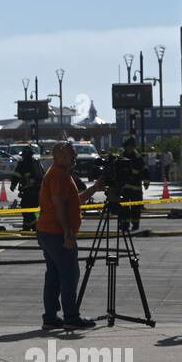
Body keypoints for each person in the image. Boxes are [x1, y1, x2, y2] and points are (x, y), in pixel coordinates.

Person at [37, 141, 105, 330]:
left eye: (73, 153)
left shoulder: (62, 175)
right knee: (69, 274)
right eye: (70, 154)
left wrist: (93, 188)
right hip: (56, 233)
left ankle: (50, 317)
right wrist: (68, 232)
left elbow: (74, 202)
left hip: (48, 231)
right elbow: (59, 206)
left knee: (54, 275)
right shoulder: (58, 175)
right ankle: (71, 317)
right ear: (58, 155)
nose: (74, 157)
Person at [9, 146, 44, 231]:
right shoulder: (37, 163)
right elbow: (43, 175)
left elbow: (16, 176)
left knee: (25, 209)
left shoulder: (22, 164)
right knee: (35, 209)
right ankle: (30, 226)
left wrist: (13, 185)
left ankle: (32, 225)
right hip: (38, 192)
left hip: (28, 192)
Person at [118, 137, 148, 232]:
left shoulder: (138, 157)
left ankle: (135, 224)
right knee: (124, 208)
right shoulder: (121, 156)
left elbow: (145, 170)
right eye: (129, 146)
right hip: (124, 188)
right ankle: (124, 224)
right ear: (126, 147)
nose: (130, 148)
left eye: (132, 147)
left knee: (136, 208)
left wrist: (146, 182)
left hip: (136, 188)